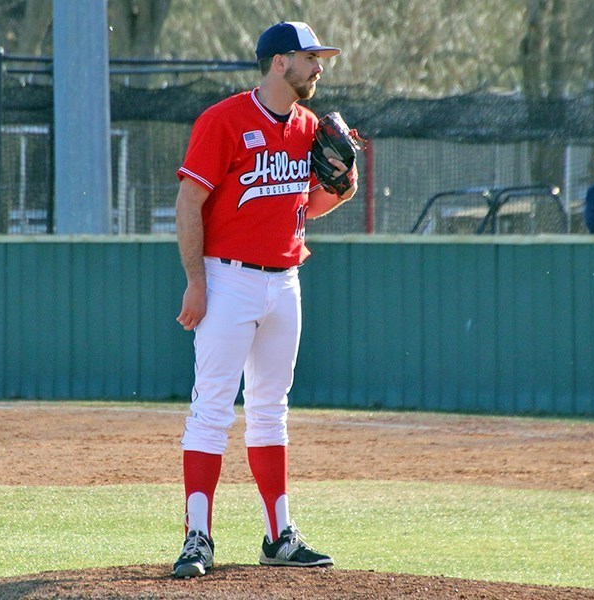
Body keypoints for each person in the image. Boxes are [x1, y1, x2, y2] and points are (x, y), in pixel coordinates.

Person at [171, 21, 358, 579]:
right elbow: (188, 202)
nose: (319, 67)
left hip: (285, 280)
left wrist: (340, 188)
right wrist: (196, 281)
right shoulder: (223, 120)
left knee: (271, 411)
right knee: (211, 410)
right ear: (280, 62)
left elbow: (300, 206)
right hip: (227, 279)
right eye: (310, 57)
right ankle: (197, 536)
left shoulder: (308, 127)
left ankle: (278, 535)